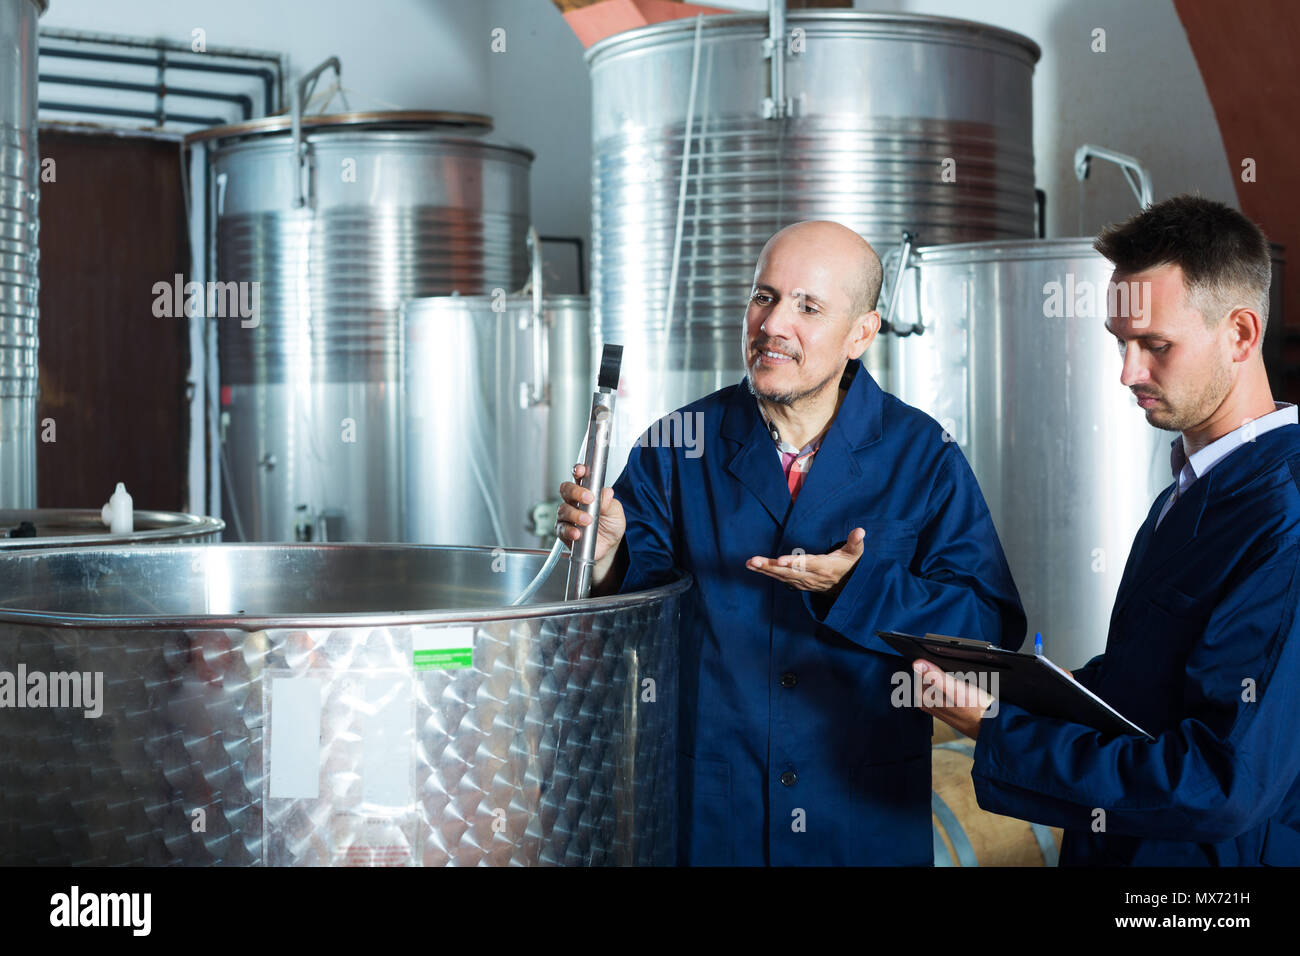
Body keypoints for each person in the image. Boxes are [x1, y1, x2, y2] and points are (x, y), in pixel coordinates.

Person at [557, 220, 1025, 865]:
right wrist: (606, 556)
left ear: (862, 332)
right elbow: (631, 630)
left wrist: (859, 589)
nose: (775, 323)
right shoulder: (677, 444)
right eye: (764, 296)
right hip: (712, 807)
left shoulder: (922, 454)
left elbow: (987, 635)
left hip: (859, 812)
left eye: (809, 306)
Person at [920, 195, 1300, 866]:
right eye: (1120, 343)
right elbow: (1150, 686)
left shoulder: (1284, 519)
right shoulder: (1188, 490)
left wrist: (994, 727)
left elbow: (1220, 784)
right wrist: (1024, 683)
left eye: (1155, 346)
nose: (1127, 373)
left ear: (1241, 334)